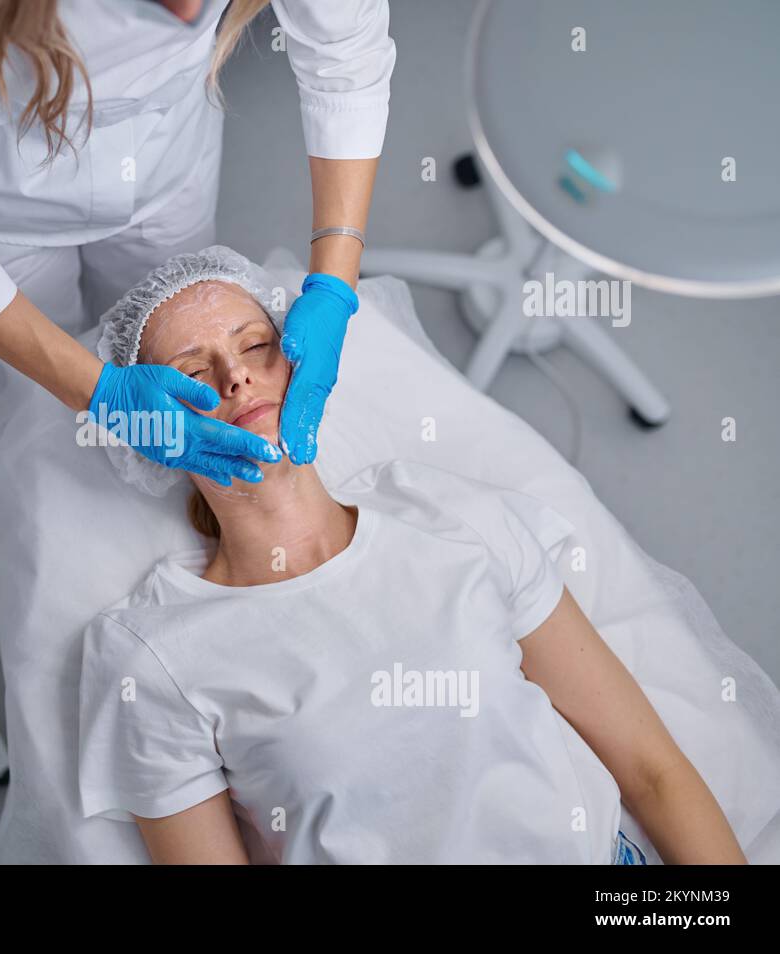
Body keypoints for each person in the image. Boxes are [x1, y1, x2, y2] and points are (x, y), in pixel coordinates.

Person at [75, 246, 747, 864]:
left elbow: (652, 772)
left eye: (255, 345)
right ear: (151, 430)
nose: (237, 377)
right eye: (192, 374)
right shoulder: (156, 655)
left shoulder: (448, 514)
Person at [0, 0, 395, 482]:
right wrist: (95, 394)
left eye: (254, 347)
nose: (193, 12)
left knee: (173, 334)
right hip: (0, 204)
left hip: (166, 164)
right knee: (41, 403)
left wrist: (336, 281)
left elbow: (345, 60)